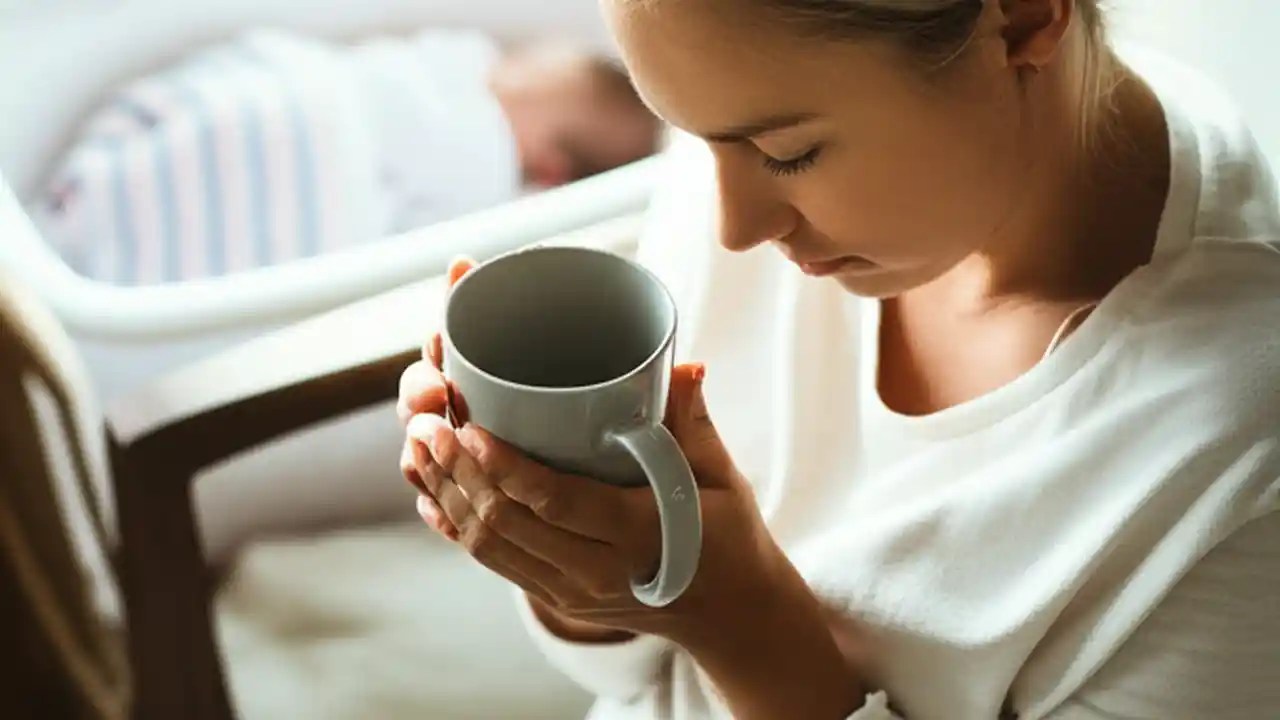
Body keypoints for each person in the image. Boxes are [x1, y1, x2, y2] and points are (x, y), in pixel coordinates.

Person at [397, 1, 1279, 718]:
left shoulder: (1237, 468)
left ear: (1017, 20)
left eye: (790, 155)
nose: (733, 231)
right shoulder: (763, 103)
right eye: (693, 137)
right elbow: (637, 684)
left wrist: (740, 623)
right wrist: (567, 557)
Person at [34, 29, 659, 285]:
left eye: (532, 90)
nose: (509, 77)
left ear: (549, 166)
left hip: (327, 170)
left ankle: (100, 238)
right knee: (235, 120)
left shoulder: (491, 173)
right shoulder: (460, 58)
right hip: (300, 100)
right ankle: (101, 201)